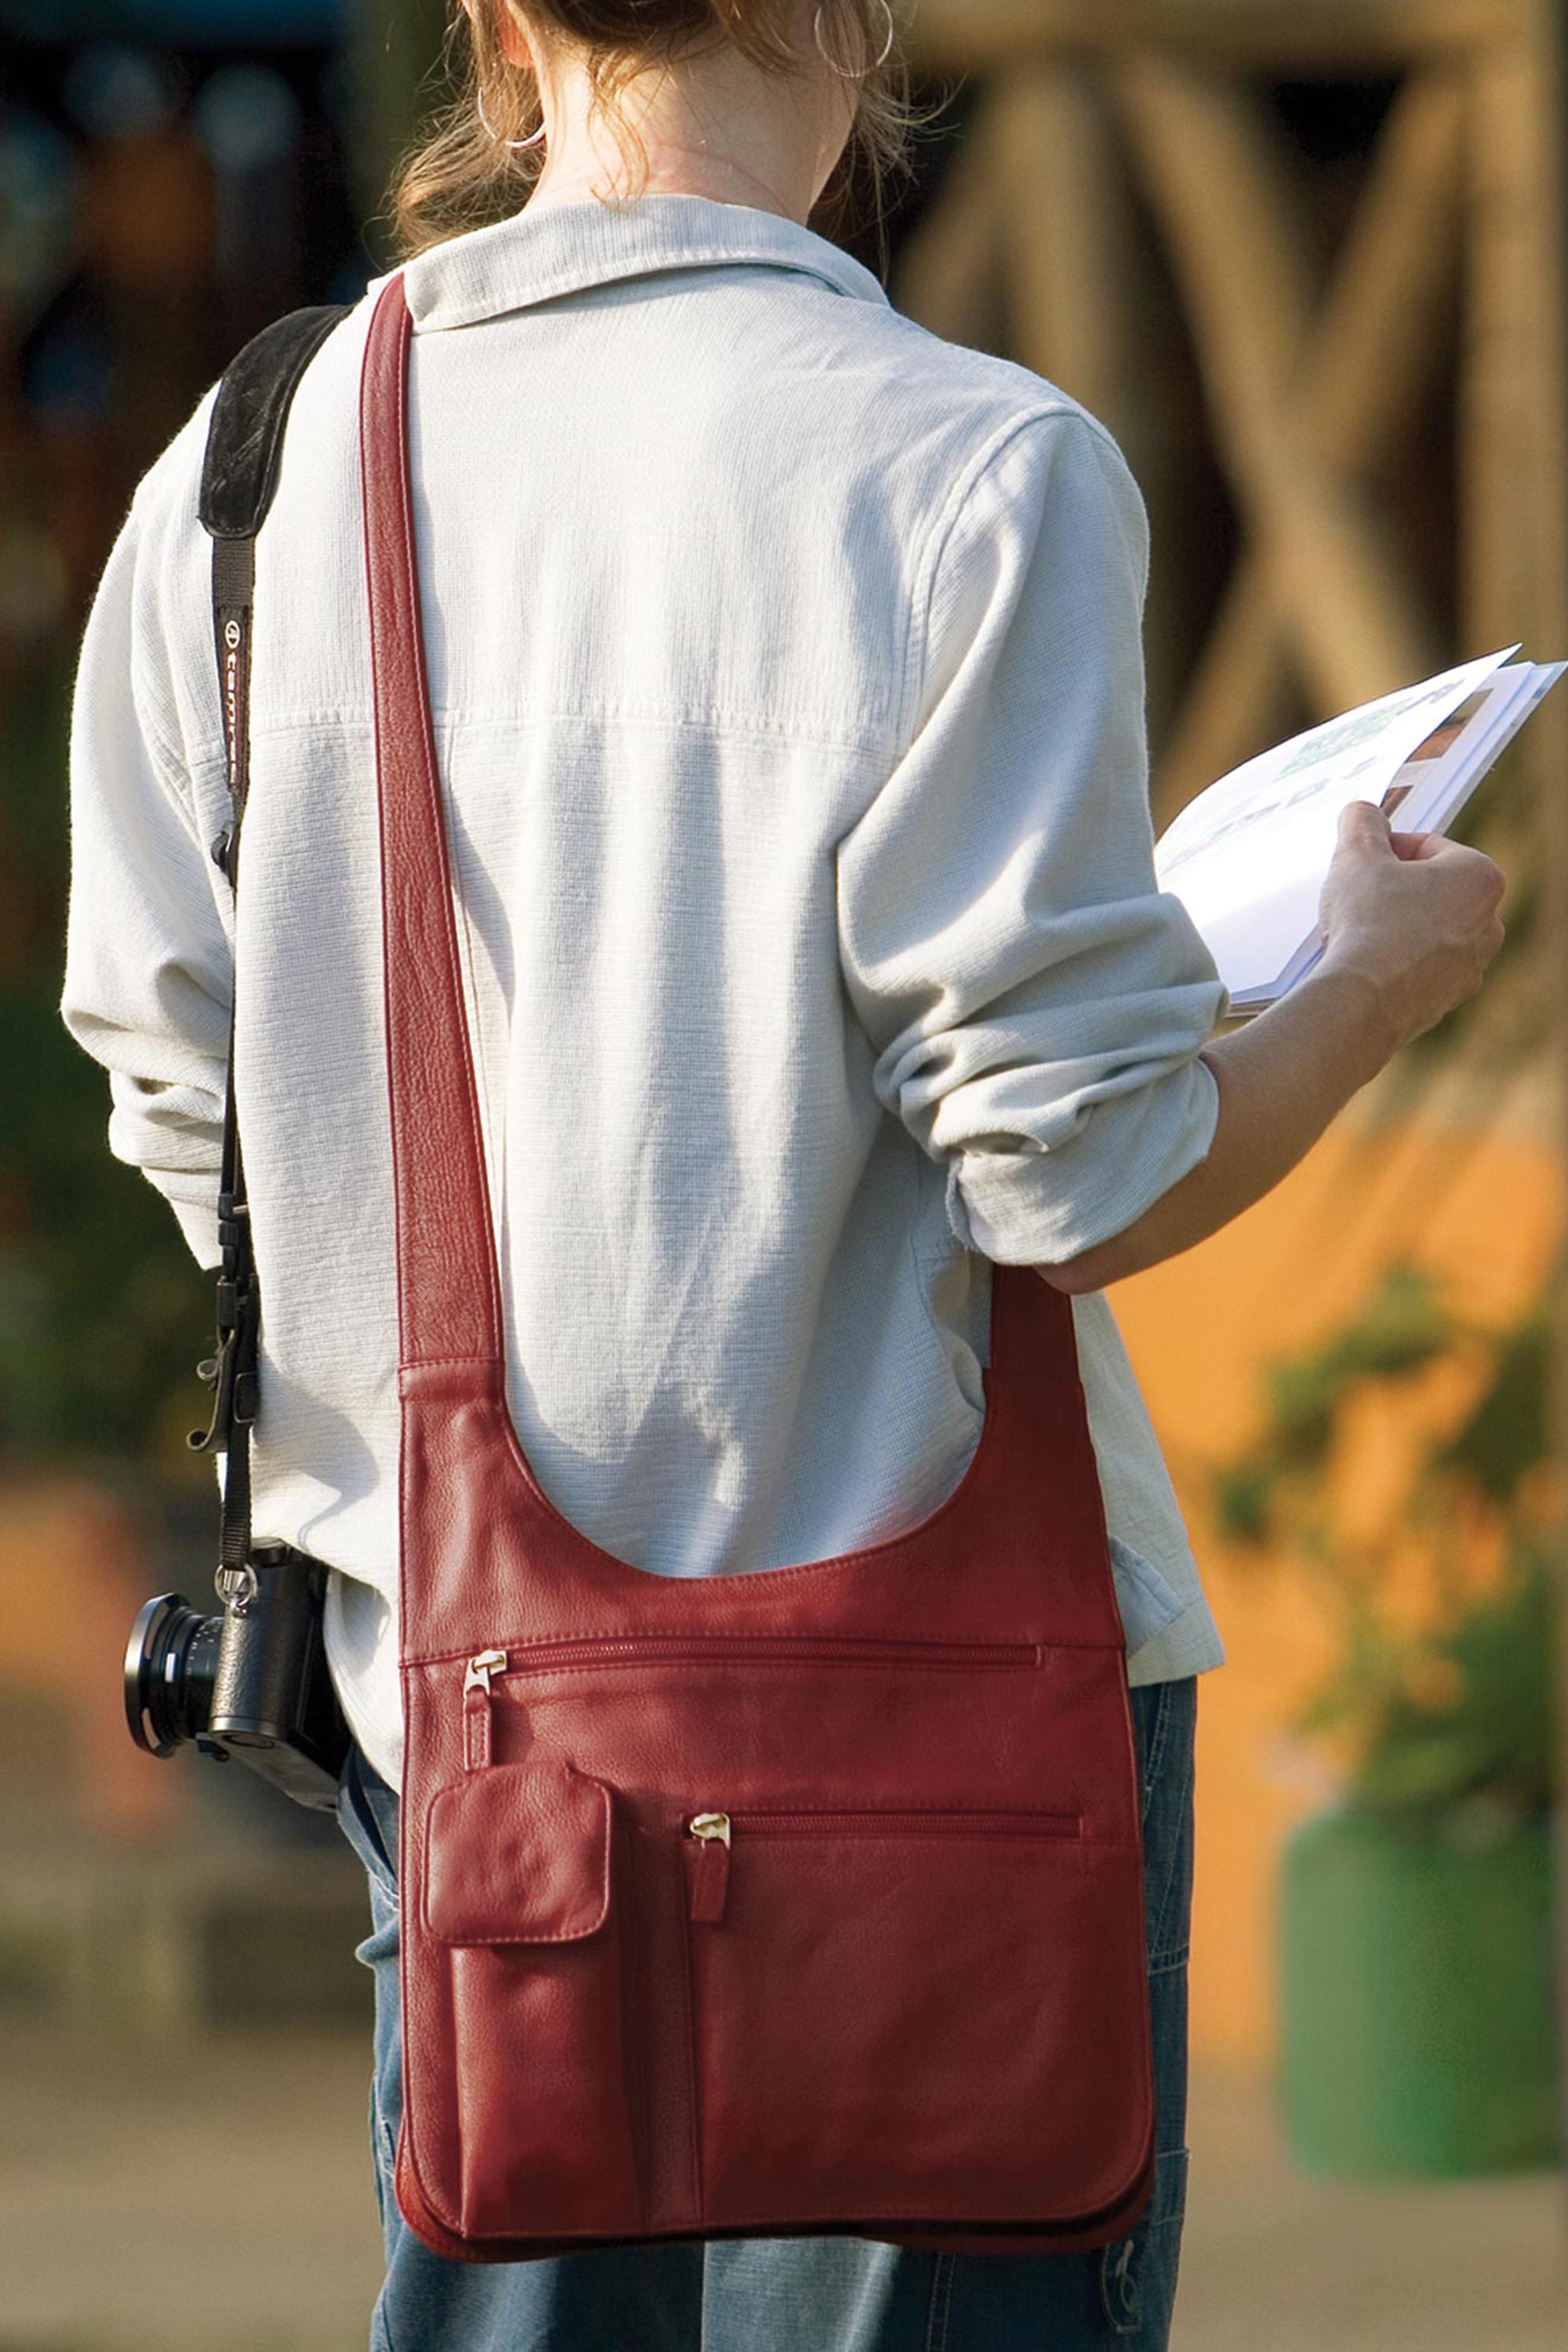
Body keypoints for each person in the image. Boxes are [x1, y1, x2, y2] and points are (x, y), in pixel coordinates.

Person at [60, 4, 1506, 2347]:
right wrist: (1366, 977)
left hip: (465, 1725)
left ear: (498, 27)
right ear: (852, 15)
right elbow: (1083, 1180)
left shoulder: (254, 472)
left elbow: (179, 1083)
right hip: (948, 1716)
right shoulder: (971, 467)